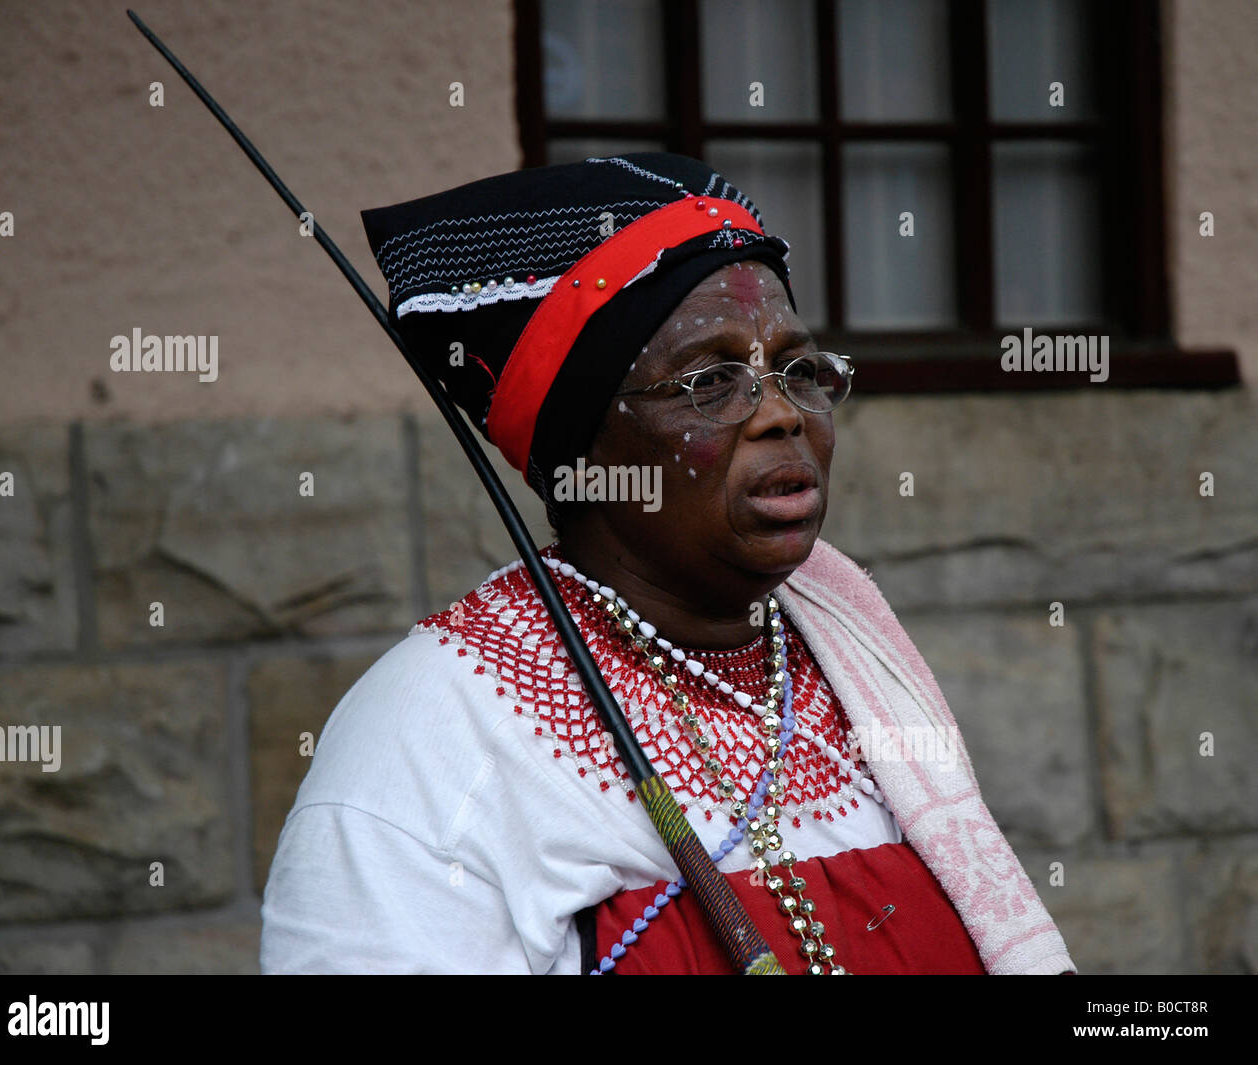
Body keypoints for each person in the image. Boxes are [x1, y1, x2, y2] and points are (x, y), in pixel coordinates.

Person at [259, 152, 1076, 975]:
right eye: (711, 381)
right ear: (583, 454)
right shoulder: (437, 734)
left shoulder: (853, 658)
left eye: (799, 371)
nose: (783, 416)